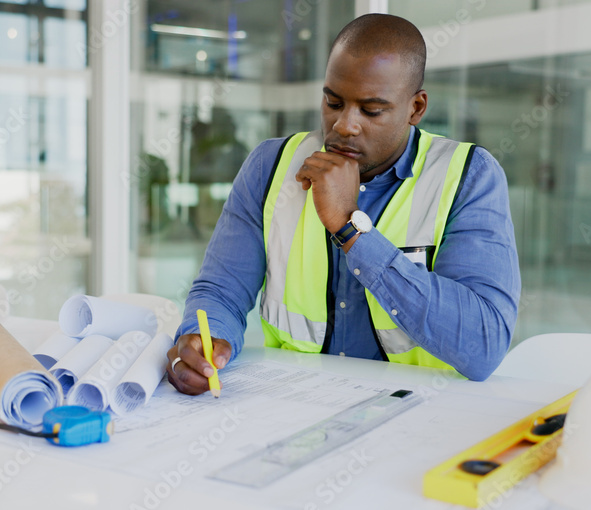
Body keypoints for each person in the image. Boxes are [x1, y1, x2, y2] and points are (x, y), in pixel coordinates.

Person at [166, 14, 520, 395]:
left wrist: (351, 229)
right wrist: (207, 341)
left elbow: (483, 346)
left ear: (415, 108)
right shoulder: (270, 166)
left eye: (372, 110)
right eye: (333, 102)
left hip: (421, 412)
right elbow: (220, 292)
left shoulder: (469, 175)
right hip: (294, 404)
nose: (344, 125)